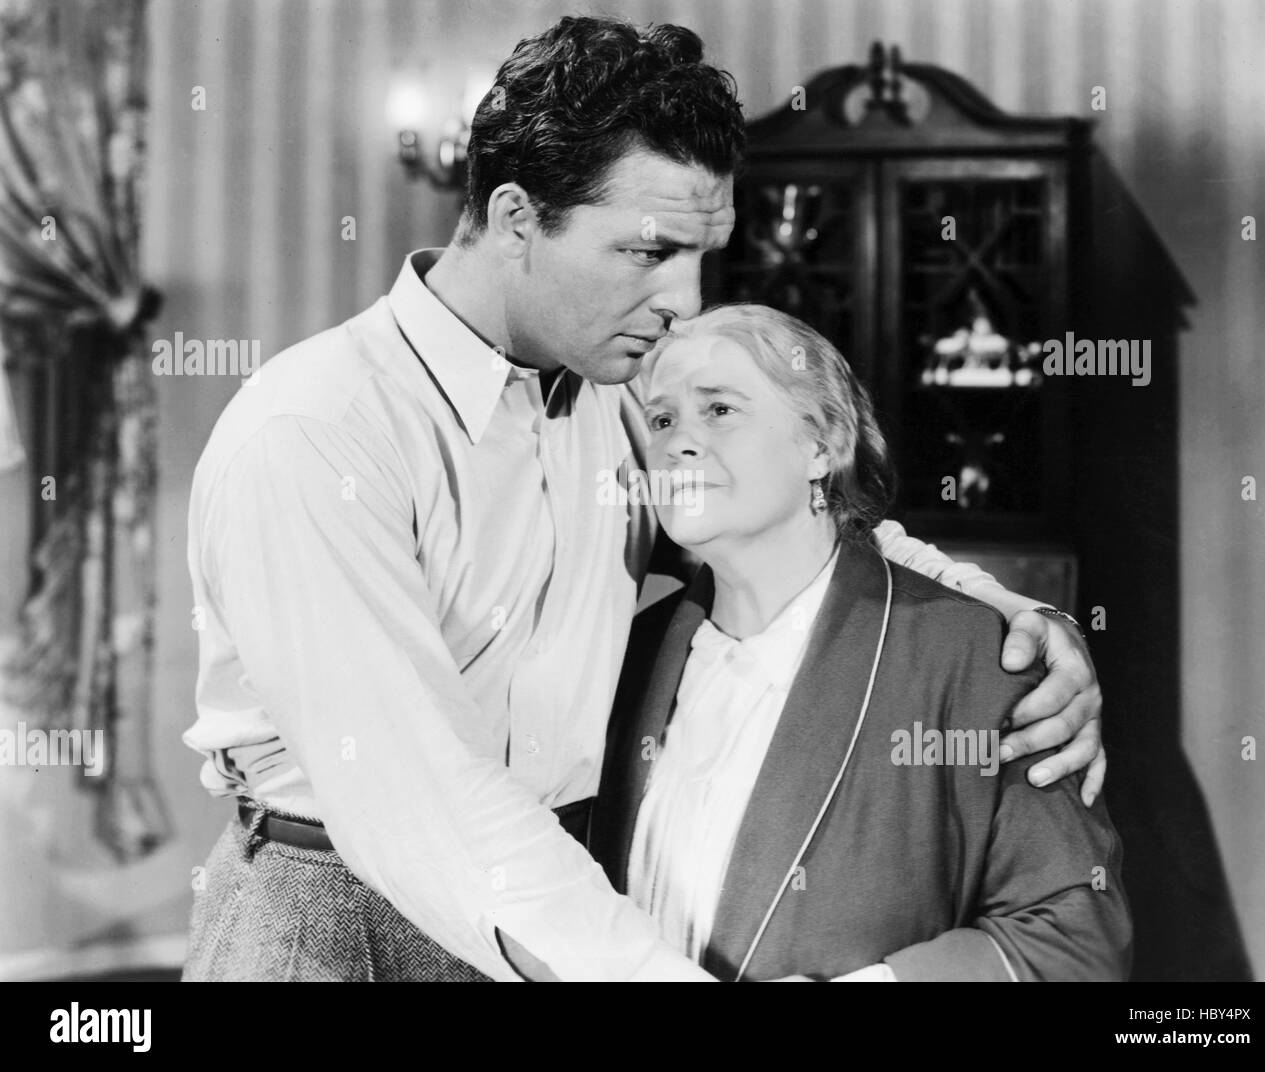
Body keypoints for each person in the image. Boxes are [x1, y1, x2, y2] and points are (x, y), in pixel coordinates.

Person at [181, 16, 1105, 983]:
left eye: (701, 255)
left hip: (564, 894)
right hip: (339, 913)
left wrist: (1012, 613)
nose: (687, 301)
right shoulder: (314, 432)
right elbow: (424, 802)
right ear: (514, 218)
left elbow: (809, 522)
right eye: (649, 252)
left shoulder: (624, 397)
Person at [590, 304, 1130, 981]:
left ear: (821, 446)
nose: (678, 443)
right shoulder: (627, 655)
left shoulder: (976, 655)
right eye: (662, 419)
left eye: (720, 410)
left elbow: (1074, 937)